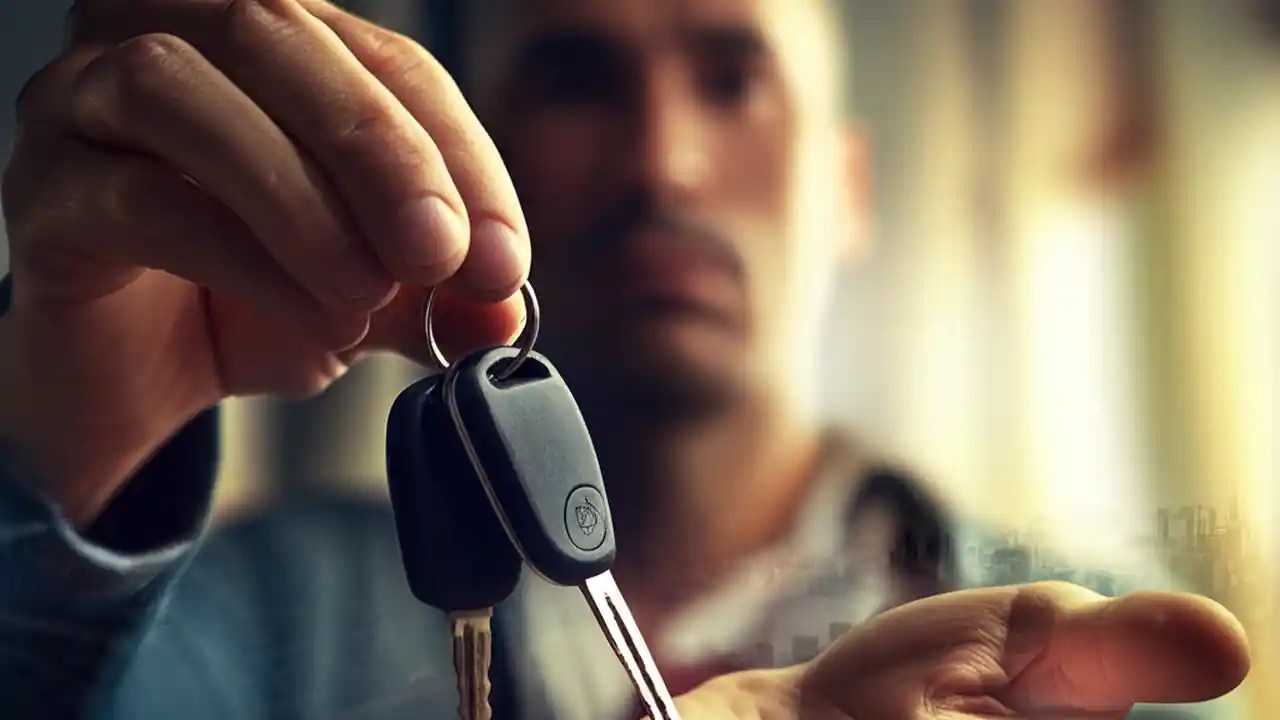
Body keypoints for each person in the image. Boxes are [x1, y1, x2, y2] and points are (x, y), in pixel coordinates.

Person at [0, 0, 1250, 718]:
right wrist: (81, 441)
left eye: (733, 78)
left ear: (848, 191)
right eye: (575, 79)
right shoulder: (260, 614)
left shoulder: (1086, 645)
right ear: (457, 154)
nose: (664, 163)